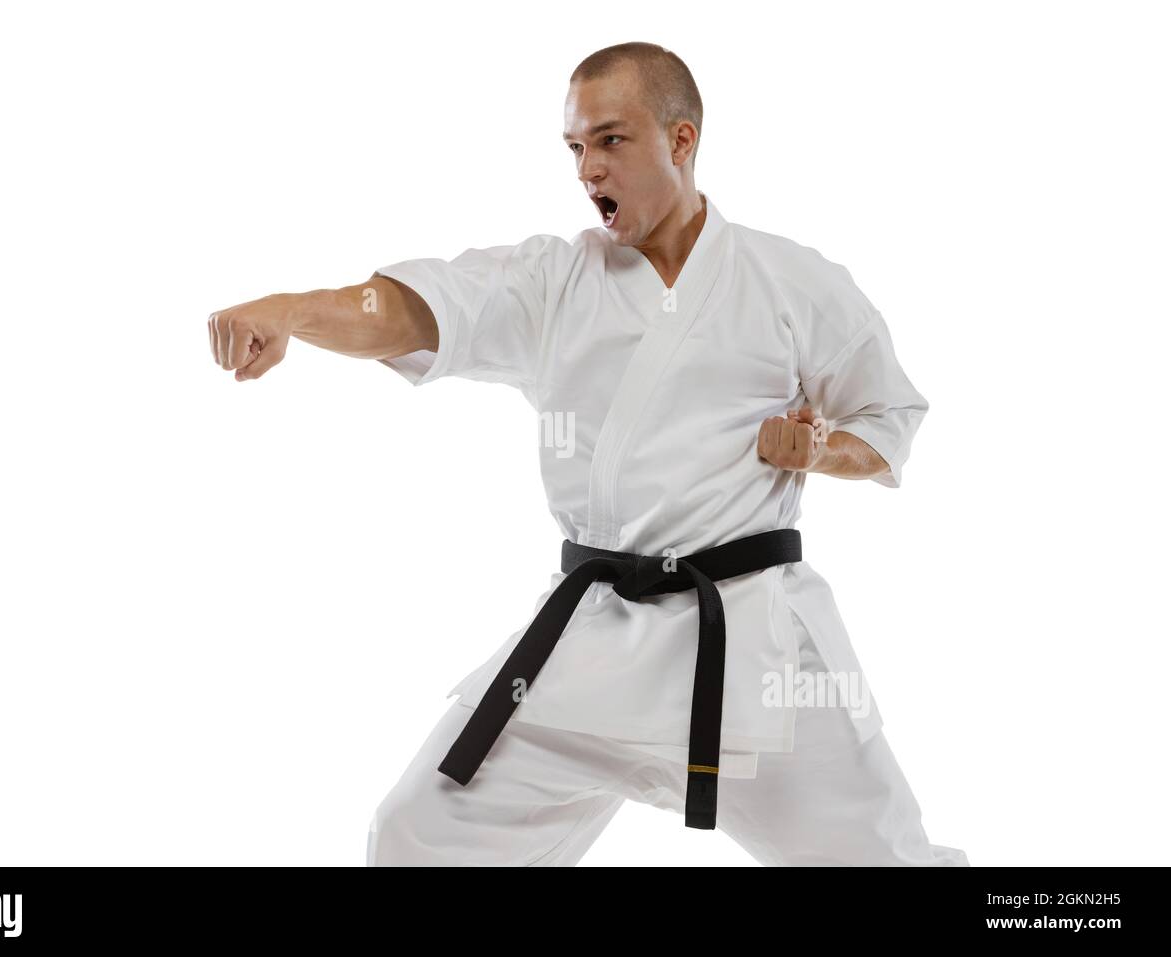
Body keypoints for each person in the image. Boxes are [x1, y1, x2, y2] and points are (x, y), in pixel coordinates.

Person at [207, 41, 969, 867]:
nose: (586, 170)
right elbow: (409, 309)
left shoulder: (792, 283)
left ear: (682, 142)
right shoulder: (553, 282)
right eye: (575, 148)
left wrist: (822, 449)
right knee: (418, 833)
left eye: (610, 140)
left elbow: (888, 417)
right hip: (590, 642)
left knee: (889, 864)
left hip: (751, 648)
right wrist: (289, 311)